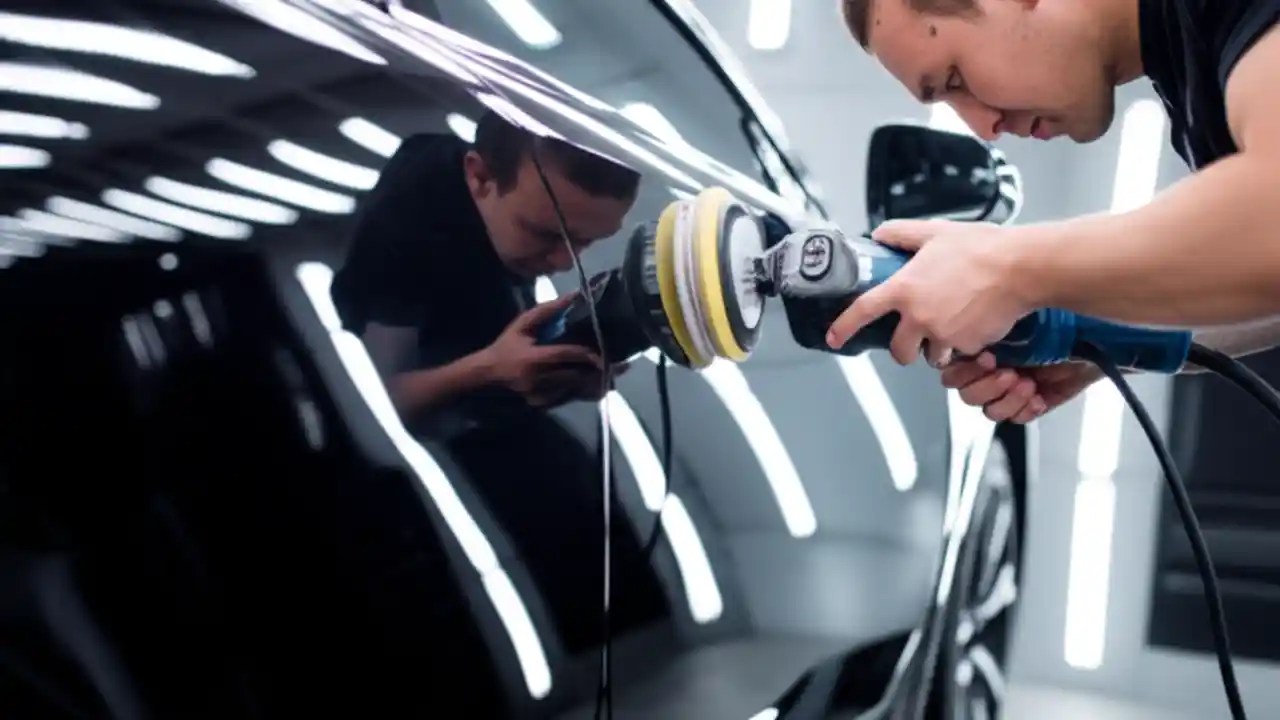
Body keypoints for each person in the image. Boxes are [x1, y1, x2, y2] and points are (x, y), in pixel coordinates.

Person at [832, 0, 1280, 424]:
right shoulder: (1191, 70)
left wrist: (1010, 270)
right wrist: (1091, 337)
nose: (984, 130)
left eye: (955, 79)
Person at [331, 109, 641, 435]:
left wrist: (560, 374)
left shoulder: (515, 206)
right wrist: (489, 368)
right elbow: (376, 404)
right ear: (478, 177)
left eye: (588, 240)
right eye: (544, 233)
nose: (564, 262)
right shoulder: (404, 228)